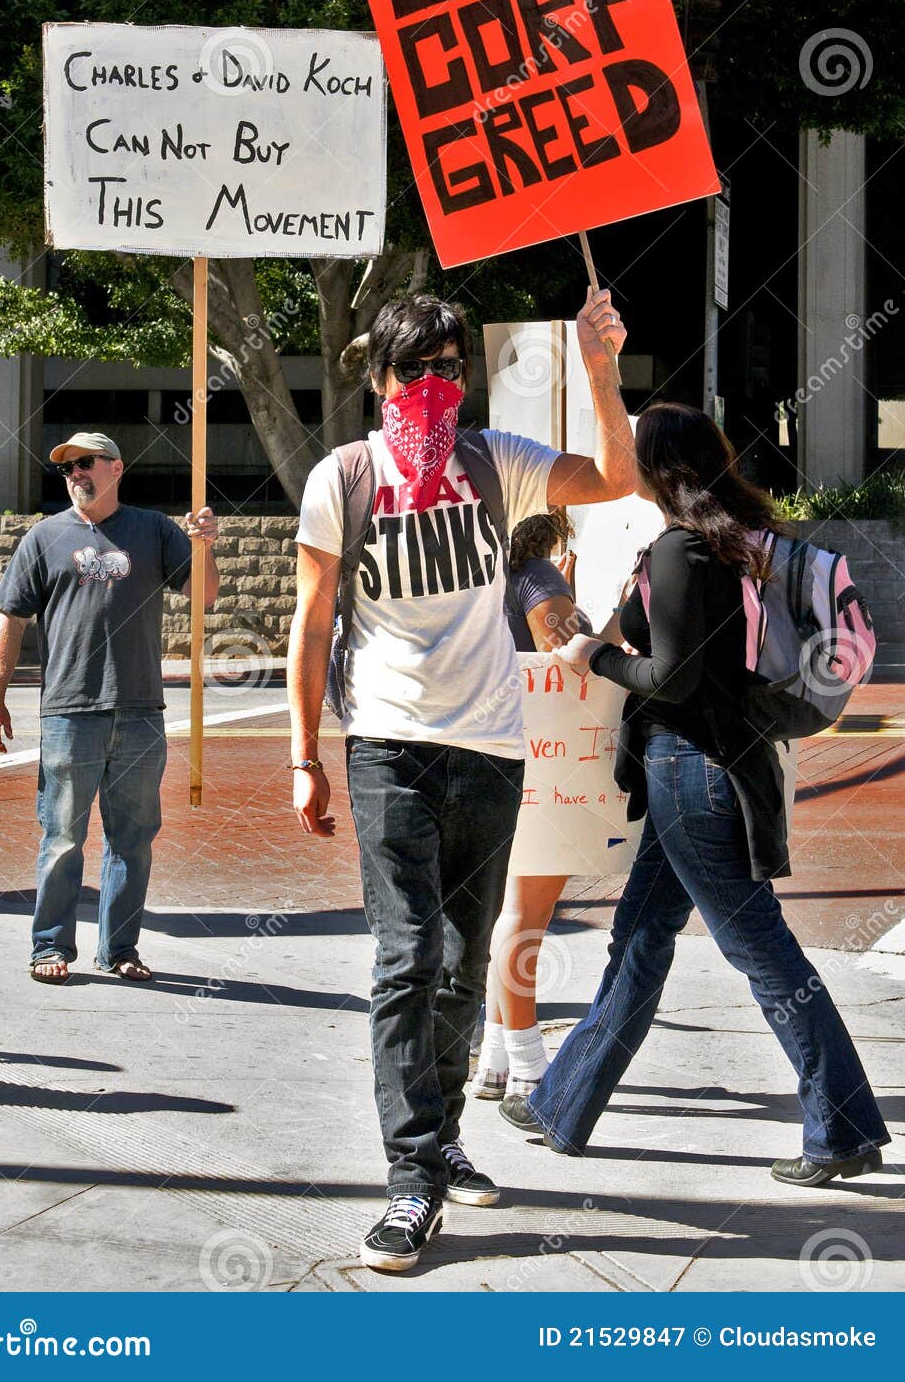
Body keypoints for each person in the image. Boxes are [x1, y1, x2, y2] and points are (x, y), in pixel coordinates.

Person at [288, 289, 634, 1271]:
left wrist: (600, 372)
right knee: (405, 962)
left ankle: (437, 1138)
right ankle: (410, 1181)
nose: (433, 386)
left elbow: (615, 474)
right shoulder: (343, 478)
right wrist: (303, 753)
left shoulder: (494, 462)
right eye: (414, 369)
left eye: (449, 366)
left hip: (492, 750)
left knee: (460, 966)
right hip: (389, 748)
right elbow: (313, 622)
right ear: (379, 378)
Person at [501, 402, 890, 1187]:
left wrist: (593, 658)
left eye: (638, 455)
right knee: (640, 942)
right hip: (703, 768)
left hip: (694, 771)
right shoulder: (727, 545)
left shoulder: (682, 550)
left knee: (763, 956)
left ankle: (843, 1128)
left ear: (660, 469)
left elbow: (673, 676)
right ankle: (561, 1102)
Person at [0, 431, 218, 985]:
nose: (74, 475)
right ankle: (48, 946)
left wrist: (208, 544)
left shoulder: (154, 529)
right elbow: (10, 618)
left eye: (85, 464)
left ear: (116, 468)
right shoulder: (44, 537)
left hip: (140, 710)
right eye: (66, 468)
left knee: (132, 840)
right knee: (62, 836)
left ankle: (119, 948)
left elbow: (204, 596)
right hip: (69, 710)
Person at [472, 513, 588, 1103]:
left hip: (492, 752)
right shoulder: (536, 577)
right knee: (526, 915)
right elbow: (567, 649)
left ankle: (494, 1056)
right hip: (547, 761)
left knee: (509, 912)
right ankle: (527, 1062)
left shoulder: (483, 575)